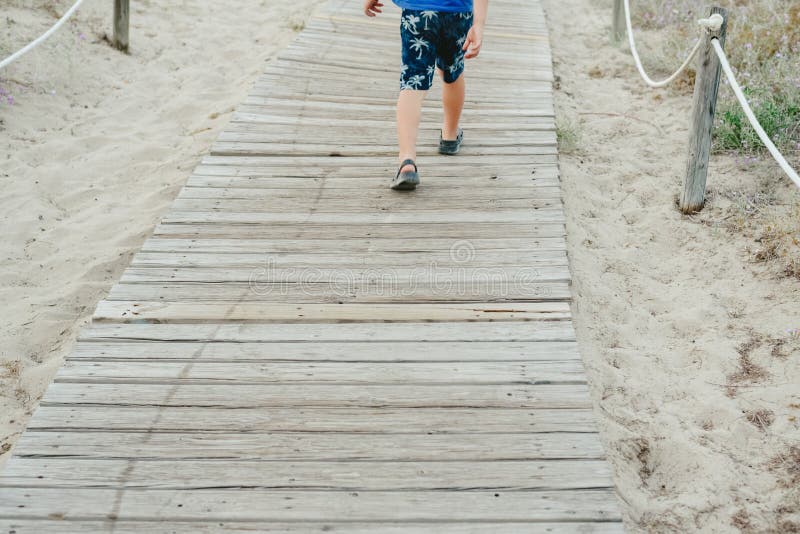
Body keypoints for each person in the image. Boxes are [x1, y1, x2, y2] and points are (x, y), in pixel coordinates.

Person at [364, 0, 488, 190]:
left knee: (412, 83)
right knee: (452, 71)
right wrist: (478, 24)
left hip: (417, 12)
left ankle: (407, 161)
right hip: (457, 14)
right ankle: (449, 135)